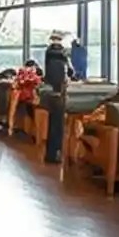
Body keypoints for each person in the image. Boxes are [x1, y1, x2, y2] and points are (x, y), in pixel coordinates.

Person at [42, 33, 70, 162]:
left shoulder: (49, 53)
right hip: (59, 92)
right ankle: (55, 153)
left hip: (52, 92)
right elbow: (69, 71)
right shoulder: (60, 54)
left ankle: (51, 154)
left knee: (54, 123)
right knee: (57, 124)